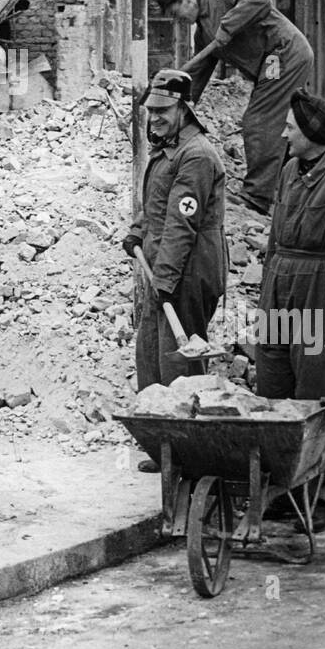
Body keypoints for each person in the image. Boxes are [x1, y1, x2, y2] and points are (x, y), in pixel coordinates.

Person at [256, 90, 325, 532]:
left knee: (316, 392)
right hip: (280, 286)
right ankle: (285, 491)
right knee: (275, 388)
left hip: (316, 291)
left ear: (311, 134)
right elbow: (274, 239)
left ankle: (319, 495)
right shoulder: (289, 169)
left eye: (290, 127)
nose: (284, 133)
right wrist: (265, 294)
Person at [122, 69, 227, 470]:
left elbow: (182, 224)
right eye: (151, 111)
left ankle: (190, 454)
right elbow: (158, 206)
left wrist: (165, 280)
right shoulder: (168, 149)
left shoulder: (196, 156)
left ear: (185, 109)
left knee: (180, 365)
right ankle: (164, 448)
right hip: (165, 268)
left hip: (190, 270)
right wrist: (137, 231)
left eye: (163, 111)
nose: (155, 118)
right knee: (150, 354)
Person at [152, 0, 314, 216]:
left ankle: (257, 197)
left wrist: (227, 27)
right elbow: (197, 75)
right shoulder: (203, 34)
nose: (179, 21)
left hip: (284, 53)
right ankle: (289, 189)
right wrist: (177, 104)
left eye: (176, 14)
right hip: (271, 65)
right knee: (284, 124)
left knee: (260, 120)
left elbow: (260, 0)